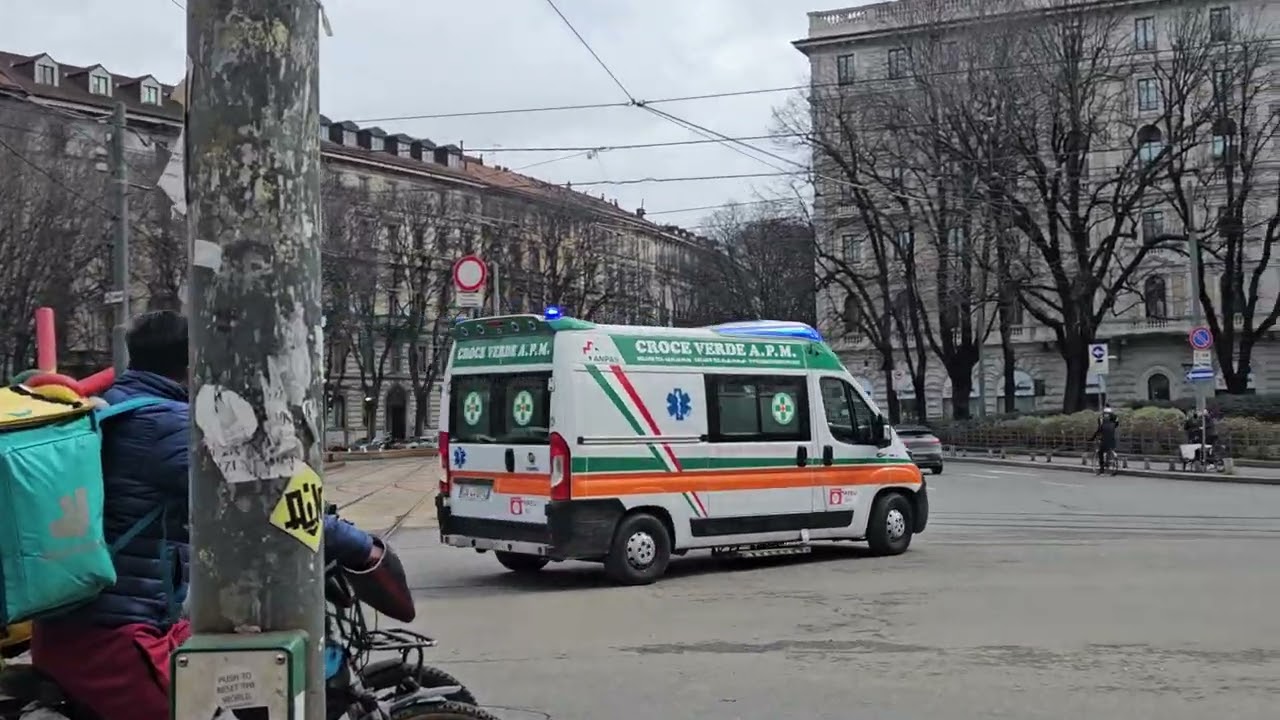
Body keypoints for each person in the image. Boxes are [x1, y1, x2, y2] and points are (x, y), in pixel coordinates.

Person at [30, 311, 392, 720]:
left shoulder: (119, 406)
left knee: (243, 670)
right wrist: (356, 546)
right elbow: (258, 505)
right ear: (196, 363)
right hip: (112, 642)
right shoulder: (165, 427)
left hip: (93, 628)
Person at [1090, 406, 1120, 474]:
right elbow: (1117, 425)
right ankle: (1109, 462)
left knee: (1100, 452)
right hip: (1112, 440)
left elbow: (1098, 431)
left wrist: (1092, 438)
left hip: (1104, 441)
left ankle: (1102, 468)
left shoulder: (1102, 424)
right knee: (1110, 449)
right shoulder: (1113, 423)